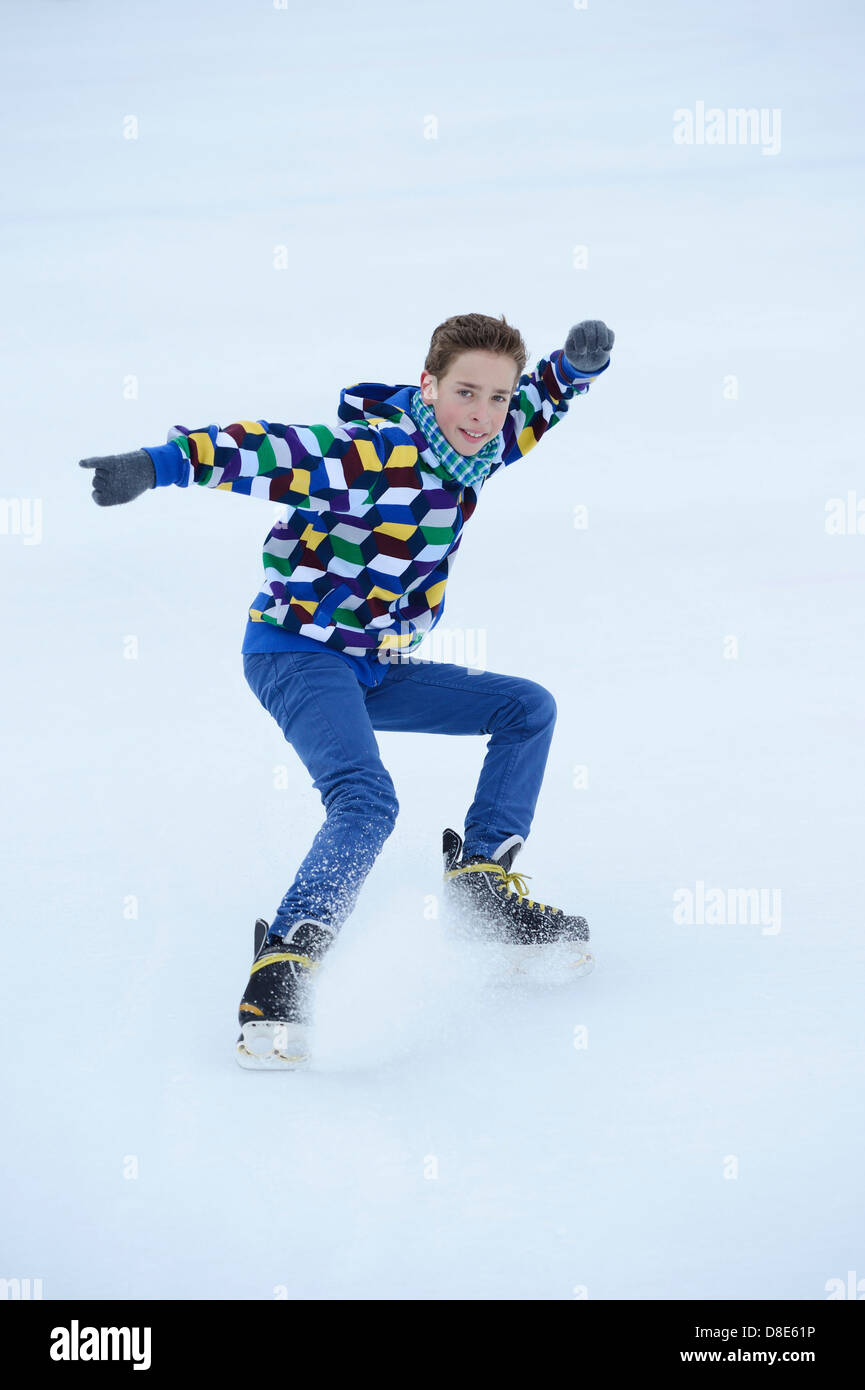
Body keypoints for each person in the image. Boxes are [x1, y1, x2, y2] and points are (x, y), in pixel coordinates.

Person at [79, 311, 615, 1067]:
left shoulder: (477, 451)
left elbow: (530, 413)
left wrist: (571, 372)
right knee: (365, 799)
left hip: (372, 662)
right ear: (426, 386)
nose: (483, 413)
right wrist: (156, 463)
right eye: (466, 393)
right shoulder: (372, 453)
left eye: (496, 398)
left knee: (525, 707)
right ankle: (287, 961)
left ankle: (482, 885)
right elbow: (265, 450)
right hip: (296, 653)